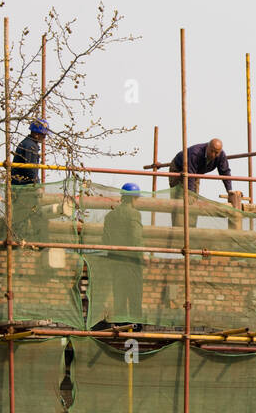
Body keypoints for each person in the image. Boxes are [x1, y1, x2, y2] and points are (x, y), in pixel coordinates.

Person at [151, 138, 238, 229]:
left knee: (193, 201)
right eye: (212, 151)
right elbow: (189, 173)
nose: (213, 155)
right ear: (207, 147)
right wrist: (190, 193)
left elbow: (225, 172)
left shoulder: (221, 155)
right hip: (179, 170)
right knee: (181, 199)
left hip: (195, 173)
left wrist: (229, 190)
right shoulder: (195, 153)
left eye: (216, 153)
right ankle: (179, 231)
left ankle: (191, 230)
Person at [102, 183, 145, 322]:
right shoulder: (134, 214)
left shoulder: (110, 216)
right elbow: (136, 238)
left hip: (115, 262)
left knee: (119, 296)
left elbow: (105, 240)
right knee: (135, 297)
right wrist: (141, 259)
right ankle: (136, 329)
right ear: (133, 198)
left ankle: (121, 328)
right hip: (132, 262)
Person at [7, 119, 49, 242]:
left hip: (20, 188)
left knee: (23, 216)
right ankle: (41, 244)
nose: (44, 137)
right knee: (35, 216)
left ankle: (19, 241)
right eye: (43, 134)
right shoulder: (30, 146)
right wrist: (37, 186)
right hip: (24, 189)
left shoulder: (26, 143)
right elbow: (30, 169)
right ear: (36, 134)